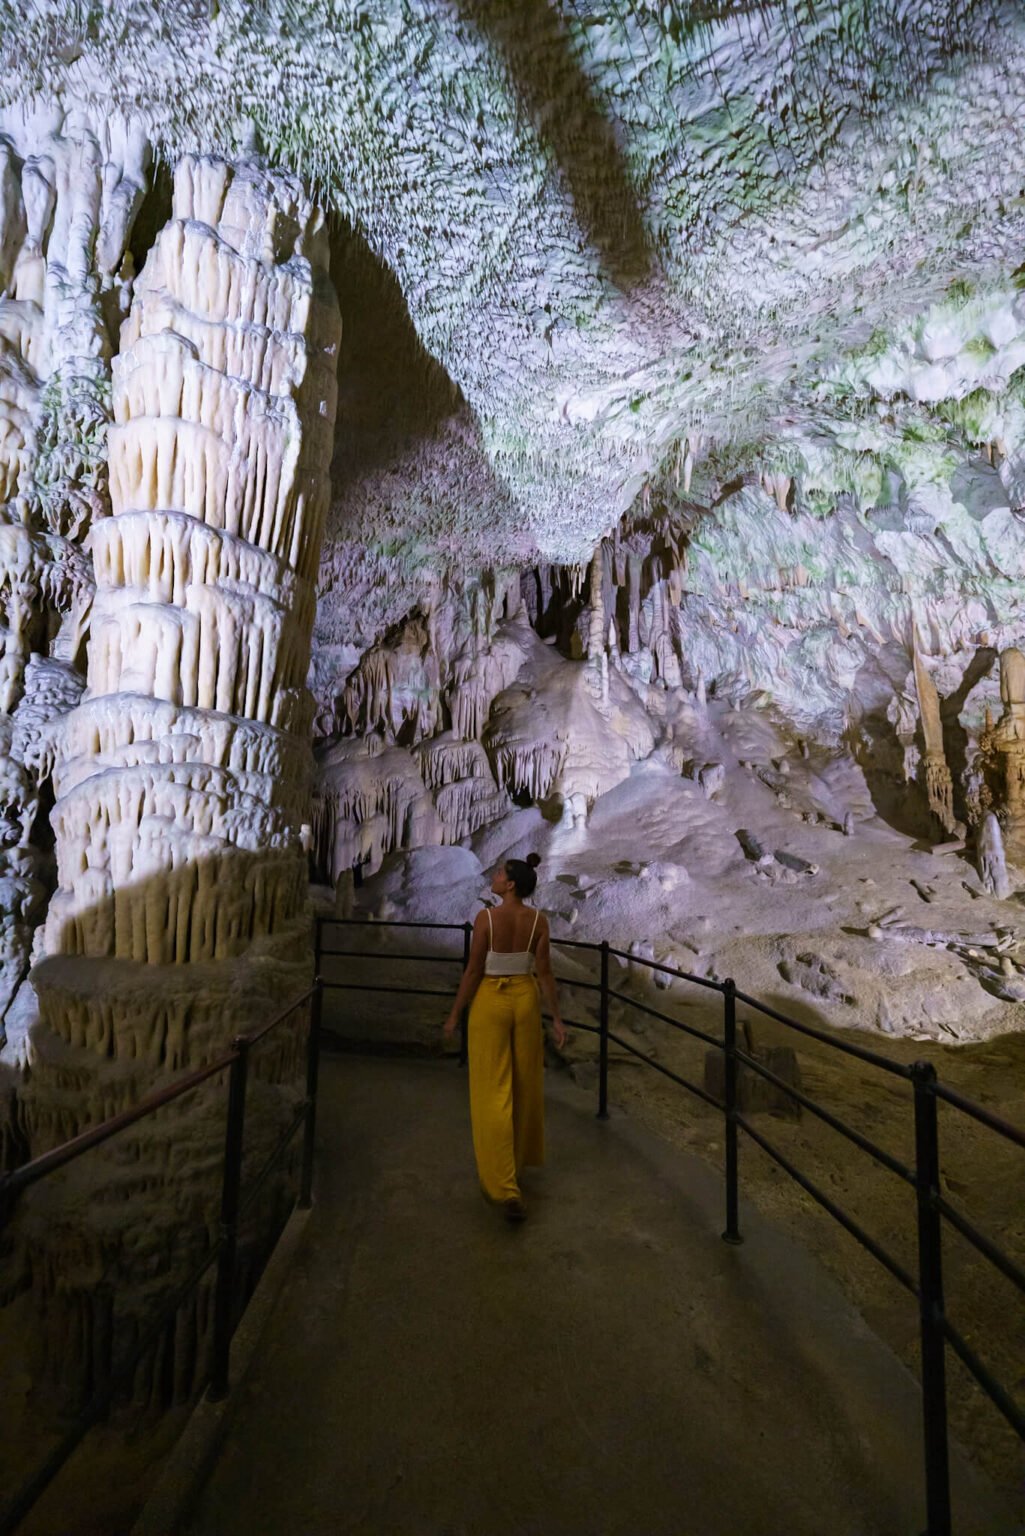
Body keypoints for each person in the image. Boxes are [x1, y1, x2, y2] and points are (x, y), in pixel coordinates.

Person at [443, 853, 565, 1222]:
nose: (494, 877)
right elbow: (545, 972)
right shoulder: (538, 921)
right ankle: (517, 1163)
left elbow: (473, 971)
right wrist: (556, 1018)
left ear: (510, 885)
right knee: (525, 1083)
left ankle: (503, 1185)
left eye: (499, 874)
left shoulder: (487, 919)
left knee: (492, 1089)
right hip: (525, 999)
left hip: (492, 1001)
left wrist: (454, 1014)